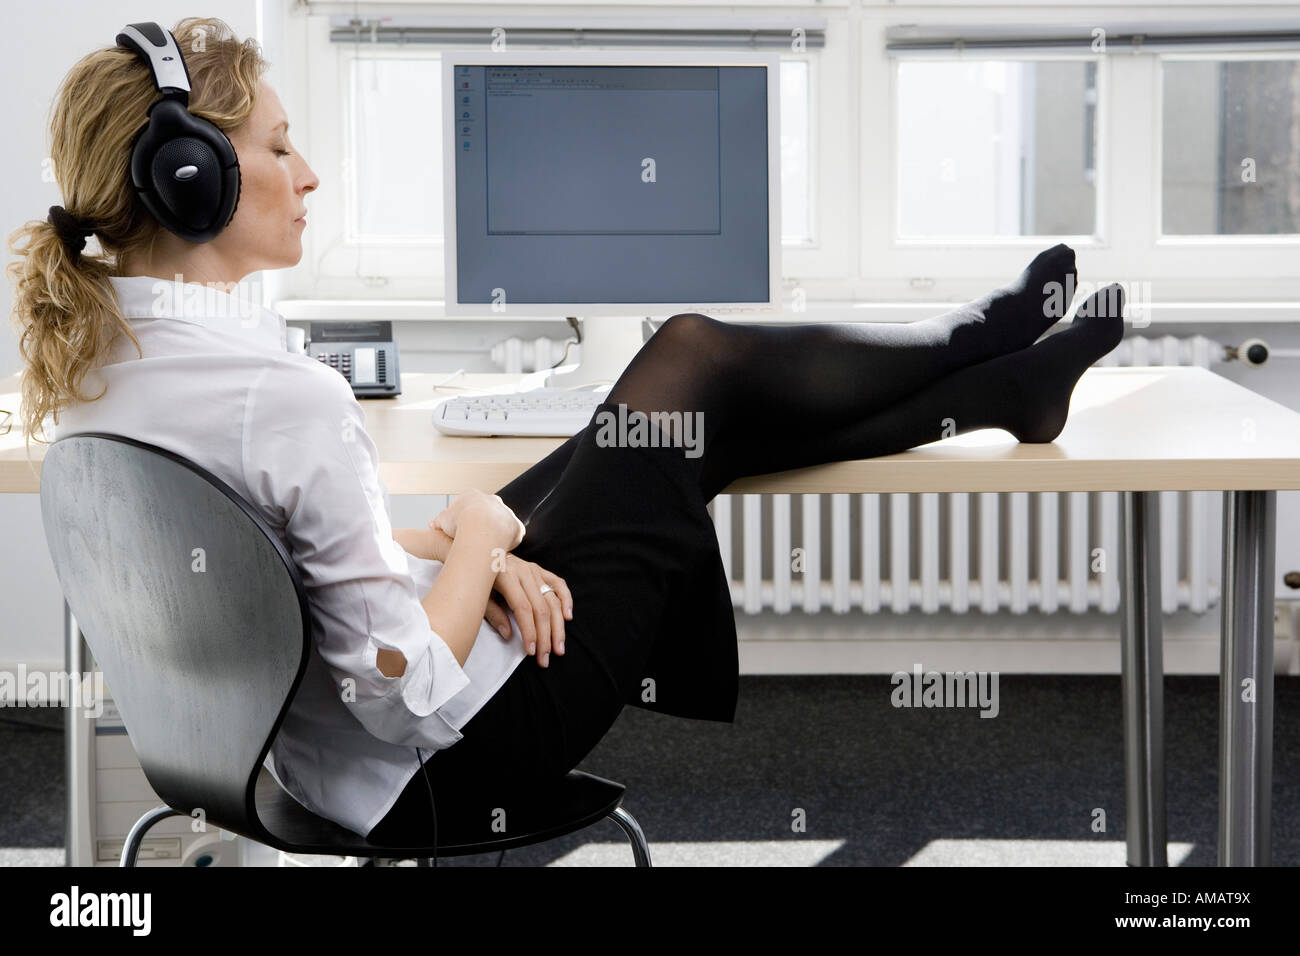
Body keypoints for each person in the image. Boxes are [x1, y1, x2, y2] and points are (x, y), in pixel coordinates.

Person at [7, 18, 1124, 849]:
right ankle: (972, 343)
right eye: (279, 147)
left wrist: (450, 550)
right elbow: (406, 693)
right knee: (690, 359)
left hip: (288, 754)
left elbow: (283, 592)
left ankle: (995, 389)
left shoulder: (89, 367)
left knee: (679, 429)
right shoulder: (282, 397)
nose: (309, 175)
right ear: (190, 180)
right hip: (460, 743)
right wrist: (487, 540)